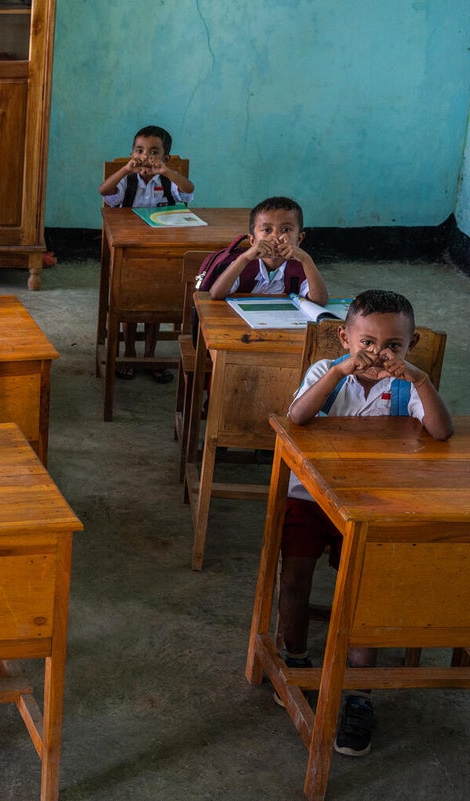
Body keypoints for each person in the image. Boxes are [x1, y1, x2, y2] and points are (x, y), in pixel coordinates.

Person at [277, 289, 453, 757]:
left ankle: (358, 690)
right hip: (311, 498)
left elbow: (441, 431)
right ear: (345, 339)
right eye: (367, 343)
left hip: (374, 504)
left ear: (411, 345)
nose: (378, 355)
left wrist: (419, 379)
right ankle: (296, 661)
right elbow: (297, 416)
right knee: (294, 578)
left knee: (363, 592)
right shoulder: (326, 372)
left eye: (394, 346)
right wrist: (339, 371)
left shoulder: (408, 386)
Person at [99, 125, 195, 382]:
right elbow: (104, 191)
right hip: (130, 252)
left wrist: (167, 171)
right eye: (139, 151)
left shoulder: (168, 180)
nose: (145, 157)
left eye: (154, 152)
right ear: (132, 153)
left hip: (161, 253)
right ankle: (129, 352)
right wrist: (124, 169)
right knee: (129, 302)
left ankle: (150, 355)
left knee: (155, 303)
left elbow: (188, 189)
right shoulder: (127, 181)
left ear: (165, 158)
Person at [203, 196, 329, 304]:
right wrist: (244, 258)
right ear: (252, 240)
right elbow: (216, 294)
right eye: (267, 230)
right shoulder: (242, 265)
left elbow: (320, 300)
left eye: (286, 230)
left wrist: (306, 259)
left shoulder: (301, 268)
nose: (276, 237)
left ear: (299, 238)